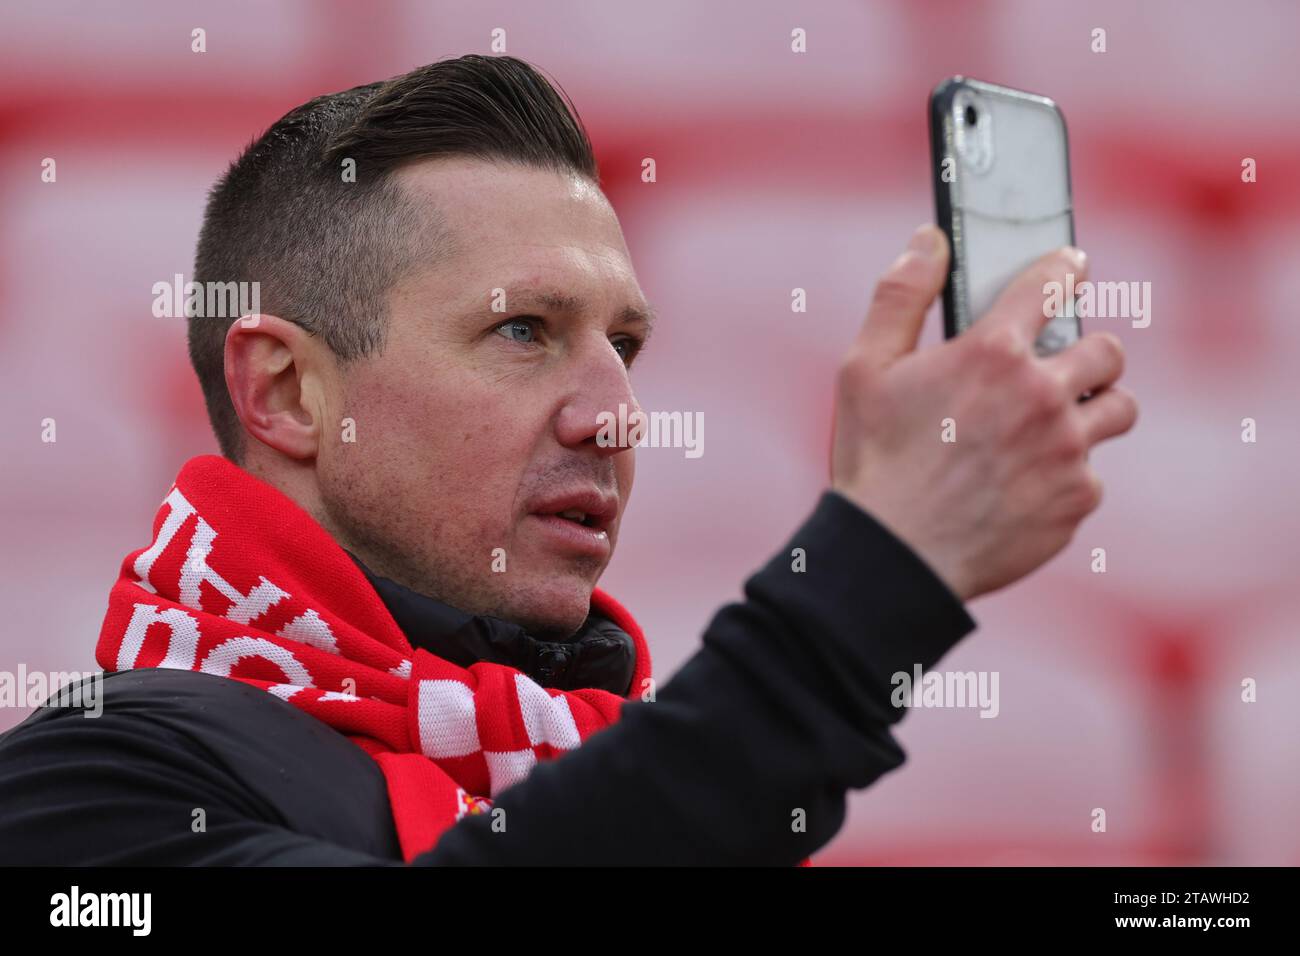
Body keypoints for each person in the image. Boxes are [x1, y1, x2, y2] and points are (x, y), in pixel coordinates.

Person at [0, 54, 1137, 866]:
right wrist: (878, 574)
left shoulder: (608, 769)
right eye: (522, 331)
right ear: (289, 391)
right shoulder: (80, 794)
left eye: (626, 345)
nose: (616, 413)